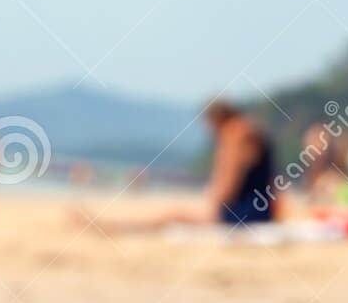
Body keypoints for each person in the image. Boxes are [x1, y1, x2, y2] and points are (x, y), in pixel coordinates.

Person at [77, 99, 277, 234]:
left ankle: (111, 227)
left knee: (171, 216)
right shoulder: (252, 130)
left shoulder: (234, 135)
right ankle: (107, 224)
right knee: (175, 214)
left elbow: (228, 185)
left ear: (215, 120)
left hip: (244, 214)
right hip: (261, 211)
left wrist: (214, 210)